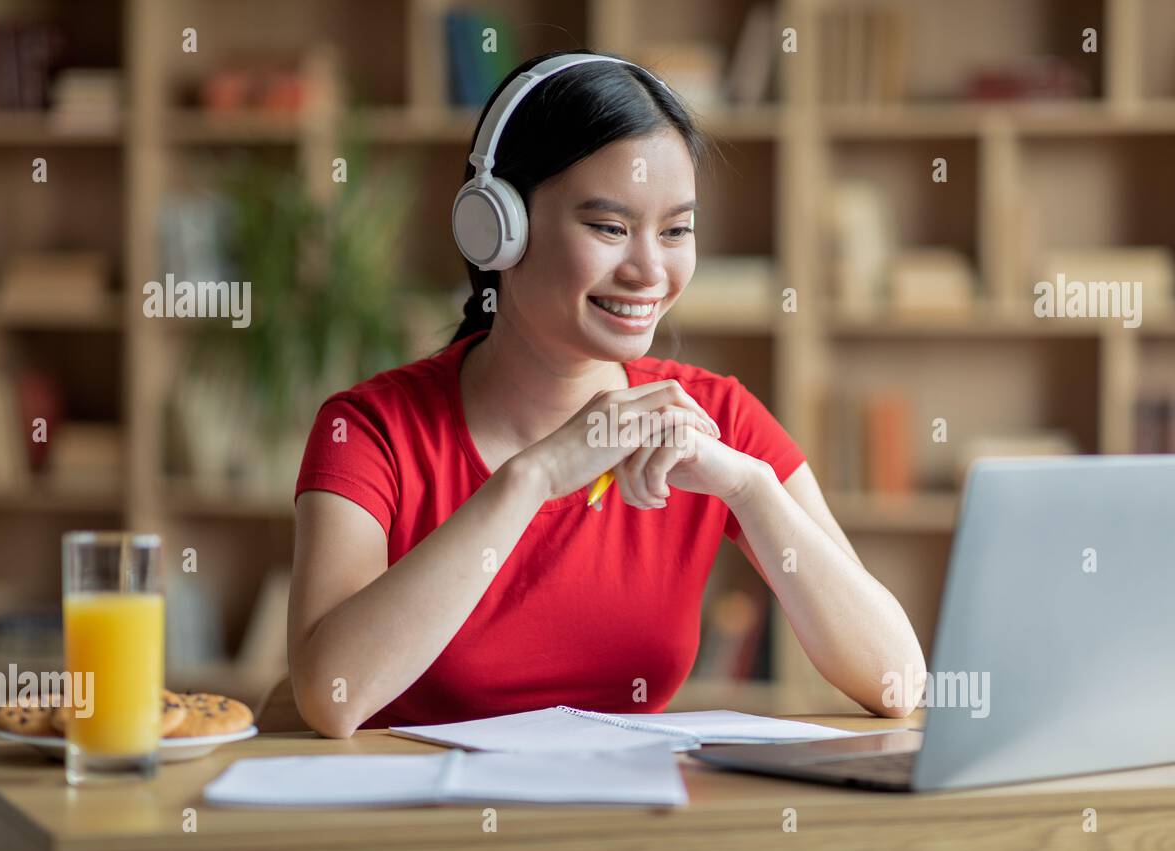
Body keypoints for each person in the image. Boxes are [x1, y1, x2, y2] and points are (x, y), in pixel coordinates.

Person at [288, 49, 925, 738]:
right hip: (430, 831)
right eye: (610, 228)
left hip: (627, 831)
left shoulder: (715, 418)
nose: (650, 270)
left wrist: (751, 490)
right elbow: (332, 696)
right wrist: (532, 479)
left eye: (676, 230)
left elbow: (895, 681)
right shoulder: (371, 430)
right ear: (498, 229)